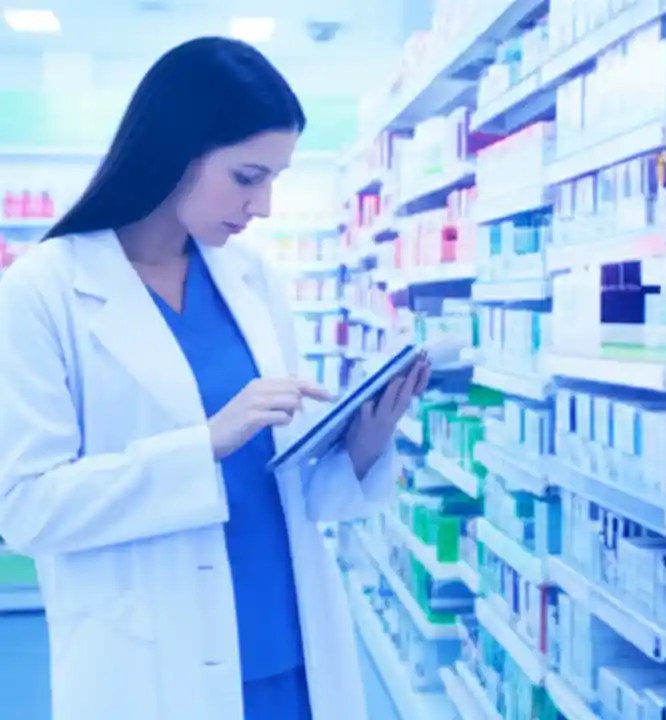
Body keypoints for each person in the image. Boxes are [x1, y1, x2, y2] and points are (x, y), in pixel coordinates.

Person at [0, 37, 429, 720]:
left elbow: (284, 485)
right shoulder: (43, 292)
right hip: (153, 663)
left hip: (291, 646)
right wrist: (204, 443)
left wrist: (361, 445)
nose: (263, 206)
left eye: (274, 180)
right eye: (247, 176)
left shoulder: (250, 277)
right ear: (176, 150)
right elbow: (26, 508)